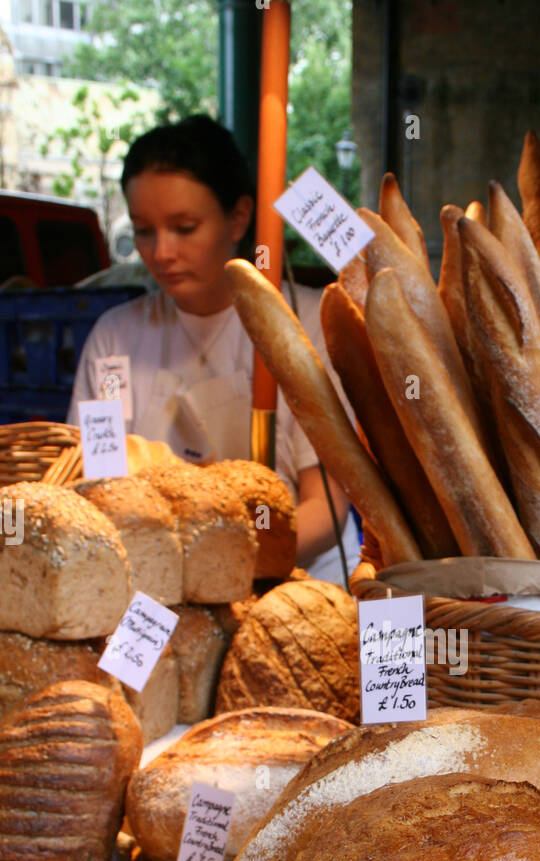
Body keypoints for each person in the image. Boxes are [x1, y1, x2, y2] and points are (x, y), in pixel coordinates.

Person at [68, 114, 361, 586]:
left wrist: (229, 565)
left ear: (239, 218)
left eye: (184, 227)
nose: (161, 252)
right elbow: (95, 483)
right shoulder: (114, 340)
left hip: (301, 576)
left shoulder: (307, 327)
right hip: (159, 588)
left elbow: (326, 508)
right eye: (143, 231)